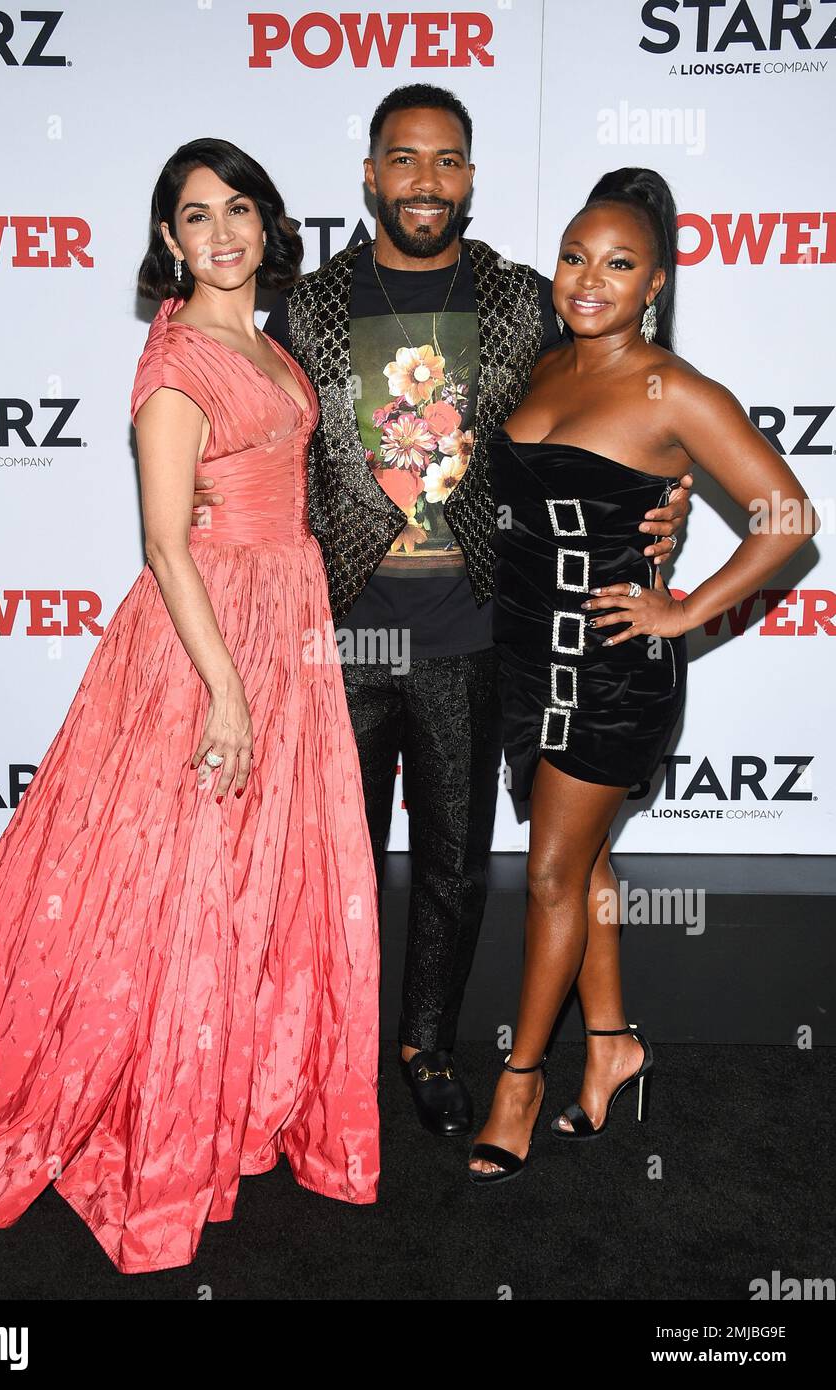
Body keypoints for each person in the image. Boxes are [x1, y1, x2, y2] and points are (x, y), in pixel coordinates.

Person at [0, 138, 381, 1269]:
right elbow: (164, 538)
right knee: (171, 880)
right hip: (207, 641)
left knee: (257, 875)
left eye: (238, 208)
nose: (221, 232)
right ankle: (145, 1119)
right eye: (195, 216)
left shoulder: (262, 336)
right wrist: (226, 695)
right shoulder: (173, 367)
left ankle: (237, 1097)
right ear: (168, 241)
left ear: (265, 222)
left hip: (280, 620)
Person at [190, 86, 693, 1139]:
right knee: (334, 864)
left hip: (473, 633)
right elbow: (263, 442)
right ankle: (326, 1050)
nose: (426, 180)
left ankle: (424, 1045)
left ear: (471, 176)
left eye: (447, 160)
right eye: (404, 160)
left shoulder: (524, 298)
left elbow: (622, 391)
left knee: (456, 866)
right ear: (369, 175)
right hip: (339, 632)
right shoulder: (311, 308)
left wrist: (667, 499)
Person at [467, 166, 817, 1183]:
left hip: (611, 669)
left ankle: (520, 1077)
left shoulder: (676, 391)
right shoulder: (541, 365)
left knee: (546, 875)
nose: (587, 279)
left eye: (616, 264)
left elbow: (786, 519)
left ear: (653, 282)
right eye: (573, 257)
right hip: (529, 657)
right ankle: (611, 1044)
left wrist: (678, 607)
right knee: (579, 860)